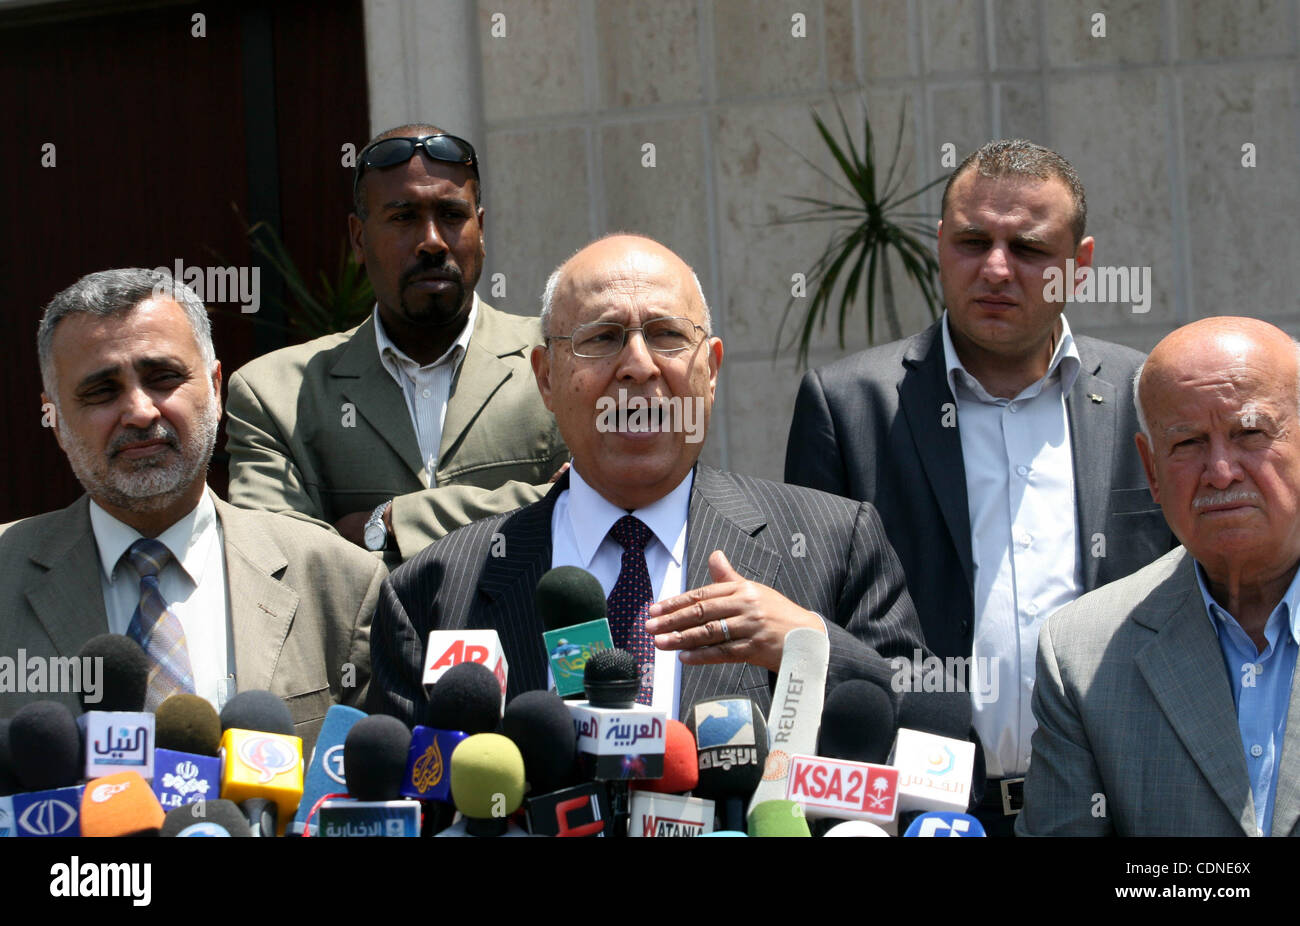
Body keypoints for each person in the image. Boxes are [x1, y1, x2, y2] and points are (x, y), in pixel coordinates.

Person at [368, 234, 928, 723]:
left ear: (711, 372)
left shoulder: (835, 545)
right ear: (545, 378)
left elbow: (935, 740)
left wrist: (809, 648)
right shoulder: (432, 592)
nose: (639, 364)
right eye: (602, 337)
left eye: (665, 335)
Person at [784, 139, 1173, 834]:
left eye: (1027, 249)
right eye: (972, 241)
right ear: (939, 245)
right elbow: (812, 633)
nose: (996, 268)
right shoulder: (847, 408)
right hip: (927, 817)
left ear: (1078, 267)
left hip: (1120, 811)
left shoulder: (1147, 397)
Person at [0, 269, 384, 750]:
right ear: (53, 418)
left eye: (163, 378)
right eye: (102, 391)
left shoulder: (339, 582)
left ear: (216, 387)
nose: (140, 411)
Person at [226, 123, 567, 564]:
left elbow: (601, 504)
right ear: (359, 240)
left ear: (480, 231)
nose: (431, 242)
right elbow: (274, 555)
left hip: (533, 634)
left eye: (451, 215)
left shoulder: (562, 359)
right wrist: (531, 504)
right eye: (403, 217)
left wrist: (388, 522)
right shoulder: (274, 395)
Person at [1020, 317, 1300, 836]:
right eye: (1188, 442)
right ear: (1150, 471)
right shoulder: (1083, 651)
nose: (1221, 471)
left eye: (1250, 433)